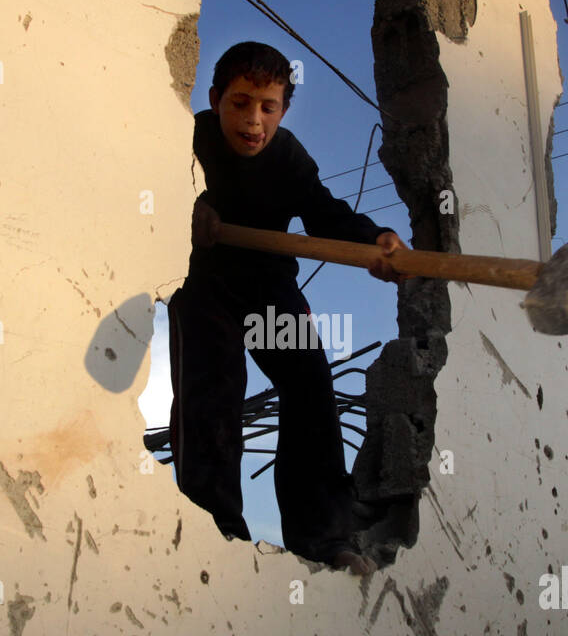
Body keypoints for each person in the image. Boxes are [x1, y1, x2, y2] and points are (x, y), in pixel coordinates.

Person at [168, 41, 407, 576]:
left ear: (283, 110)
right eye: (240, 103)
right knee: (215, 388)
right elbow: (155, 191)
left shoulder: (288, 157)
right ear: (216, 99)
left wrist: (375, 241)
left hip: (267, 287)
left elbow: (325, 214)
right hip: (203, 283)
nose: (253, 120)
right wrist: (190, 207)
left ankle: (323, 539)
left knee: (310, 386)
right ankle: (217, 530)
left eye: (268, 107)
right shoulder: (190, 140)